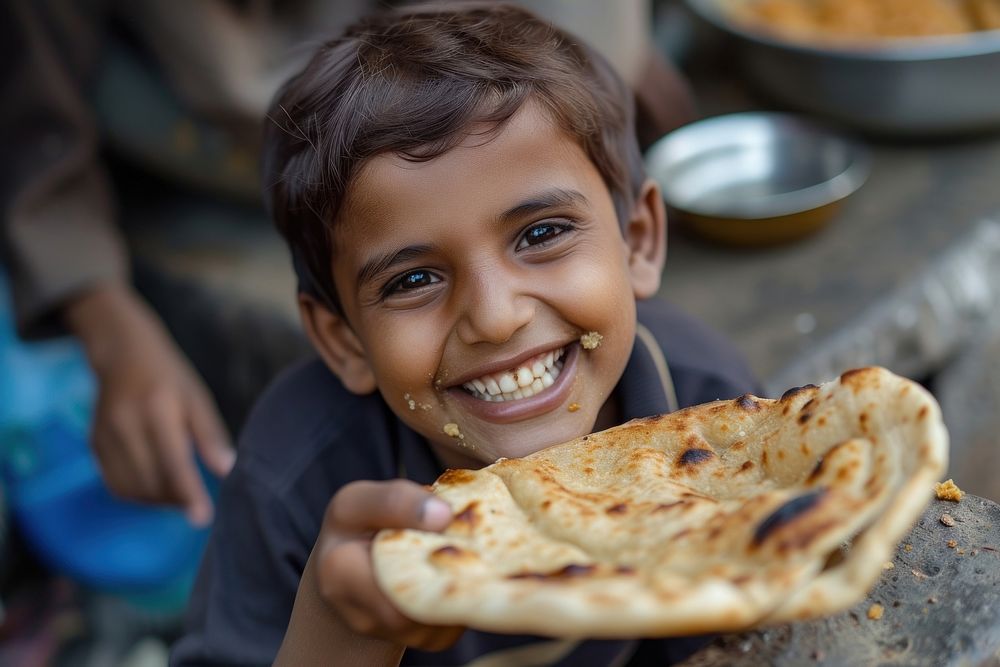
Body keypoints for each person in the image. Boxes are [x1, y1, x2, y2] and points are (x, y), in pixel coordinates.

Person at [168, 3, 755, 665]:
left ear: (638, 241)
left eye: (541, 235)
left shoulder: (716, 415)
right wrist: (341, 626)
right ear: (345, 341)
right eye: (413, 280)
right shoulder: (295, 478)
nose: (496, 316)